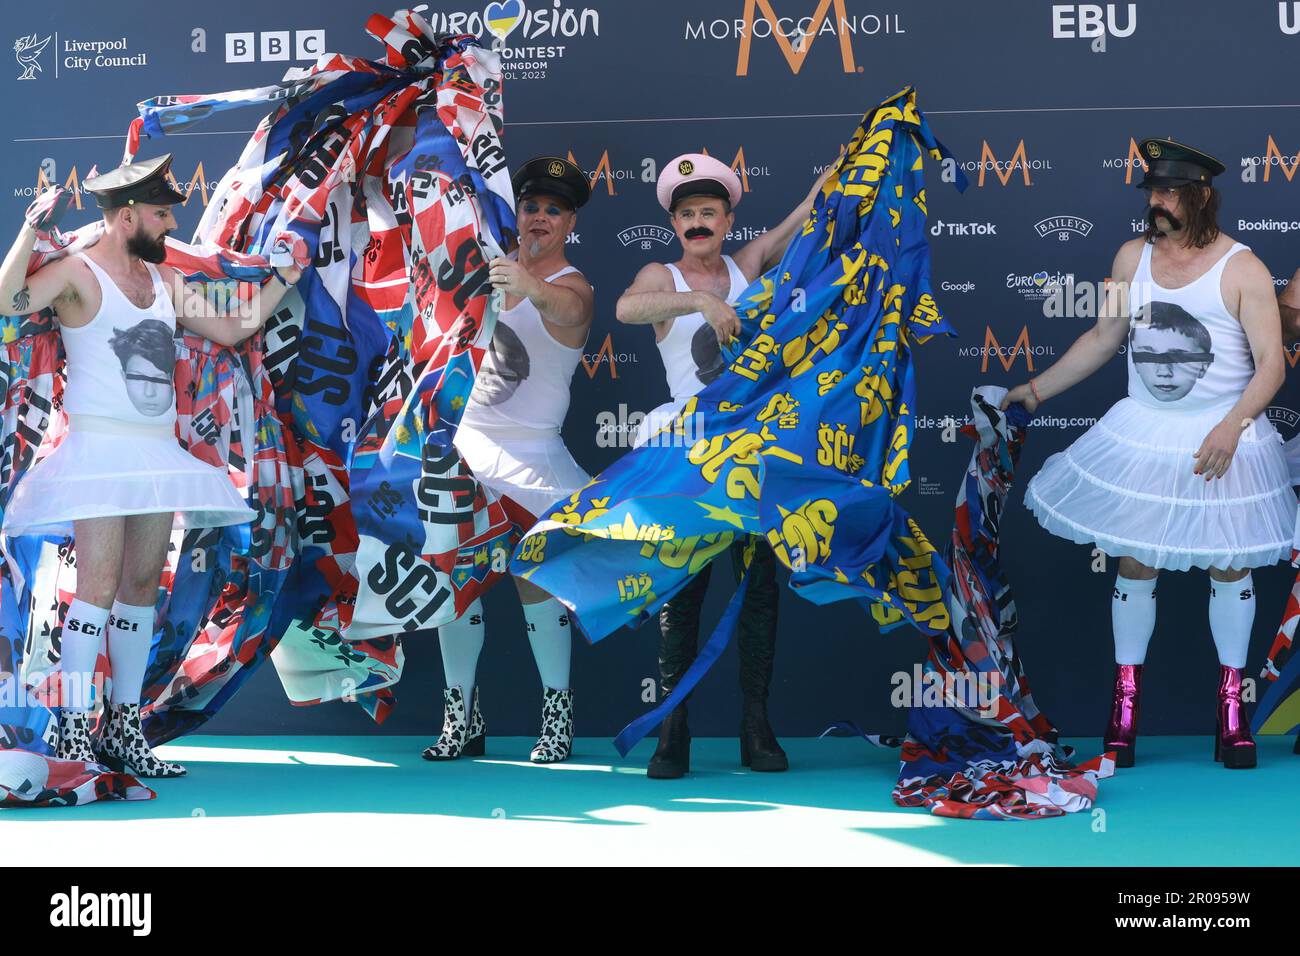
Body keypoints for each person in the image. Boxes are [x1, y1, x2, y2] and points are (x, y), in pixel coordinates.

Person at [0, 153, 302, 776]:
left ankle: (124, 728)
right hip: (95, 454)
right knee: (97, 590)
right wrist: (28, 233)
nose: (169, 225)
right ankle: (75, 734)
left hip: (156, 454)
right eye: (162, 214)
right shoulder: (76, 272)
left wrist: (286, 275)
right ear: (127, 215)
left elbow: (232, 328)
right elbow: (7, 306)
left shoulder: (162, 281)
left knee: (139, 592)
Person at [1005, 138, 1293, 771]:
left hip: (1224, 439)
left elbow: (1271, 366)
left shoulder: (1242, 267)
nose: (1157, 204)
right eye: (1151, 193)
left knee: (1230, 568)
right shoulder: (1131, 256)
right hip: (1144, 434)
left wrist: (1233, 425)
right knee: (1135, 567)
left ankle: (1231, 714)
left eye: (1169, 194)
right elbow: (1104, 338)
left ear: (1201, 197)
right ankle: (1124, 712)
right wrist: (1030, 391)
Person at [614, 152, 830, 778]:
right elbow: (629, 308)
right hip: (687, 445)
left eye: (708, 212)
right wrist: (700, 306)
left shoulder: (746, 264)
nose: (697, 223)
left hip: (756, 446)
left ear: (728, 218)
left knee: (758, 589)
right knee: (681, 593)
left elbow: (802, 218)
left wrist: (844, 168)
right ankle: (672, 731)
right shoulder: (662, 273)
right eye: (686, 215)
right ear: (675, 225)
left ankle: (755, 726)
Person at [423, 156, 594, 764]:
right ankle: (460, 717)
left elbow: (567, 311)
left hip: (532, 462)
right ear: (516, 212)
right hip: (464, 451)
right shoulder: (482, 265)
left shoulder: (574, 286)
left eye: (553, 209)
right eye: (531, 206)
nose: (539, 218)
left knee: (533, 584)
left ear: (570, 221)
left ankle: (557, 717)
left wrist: (527, 286)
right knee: (452, 586)